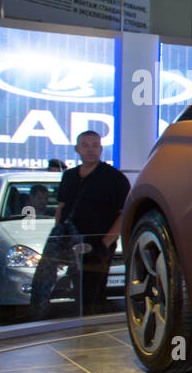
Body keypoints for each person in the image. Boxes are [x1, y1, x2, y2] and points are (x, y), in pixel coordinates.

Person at [44, 130, 130, 317]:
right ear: (77, 149)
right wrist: (60, 235)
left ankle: (92, 332)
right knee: (77, 291)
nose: (90, 150)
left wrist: (104, 244)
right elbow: (61, 207)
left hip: (97, 244)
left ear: (101, 148)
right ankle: (81, 329)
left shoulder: (114, 178)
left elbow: (123, 214)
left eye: (95, 145)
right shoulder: (69, 176)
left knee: (92, 292)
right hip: (71, 242)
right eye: (85, 145)